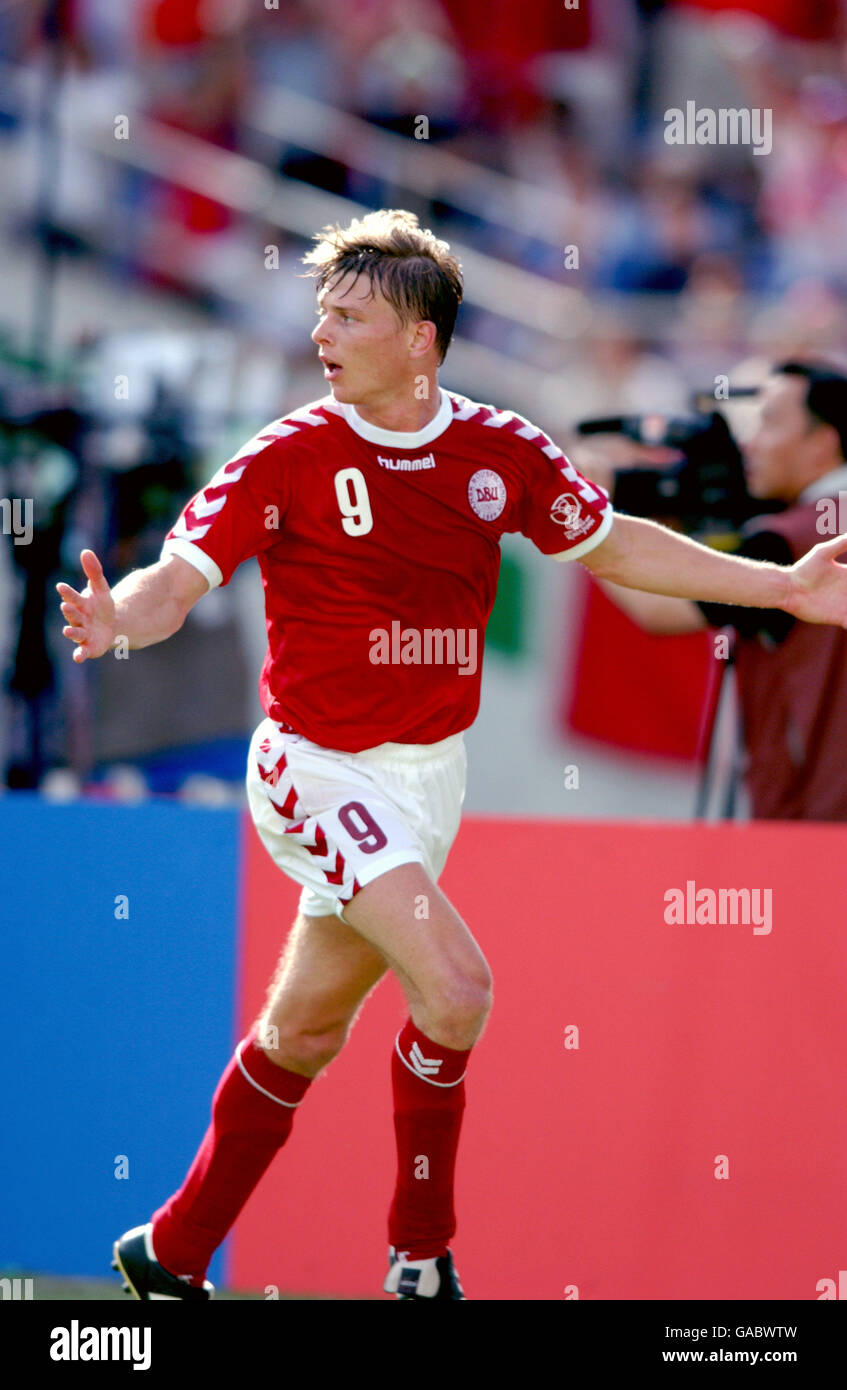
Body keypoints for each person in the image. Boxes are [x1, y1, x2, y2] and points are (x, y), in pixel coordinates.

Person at [56, 214, 847, 1300]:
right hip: (314, 766)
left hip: (427, 778)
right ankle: (420, 1256)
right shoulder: (286, 452)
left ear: (421, 339)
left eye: (352, 313)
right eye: (323, 309)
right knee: (460, 987)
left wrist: (784, 583)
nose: (324, 329)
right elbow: (179, 576)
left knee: (303, 1031)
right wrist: (124, 620)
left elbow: (610, 539)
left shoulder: (500, 450)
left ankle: (172, 1252)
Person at [592, 361, 847, 820]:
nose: (750, 443)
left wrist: (574, 520)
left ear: (823, 442)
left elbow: (658, 610)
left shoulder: (789, 540)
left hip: (812, 828)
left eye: (768, 423)